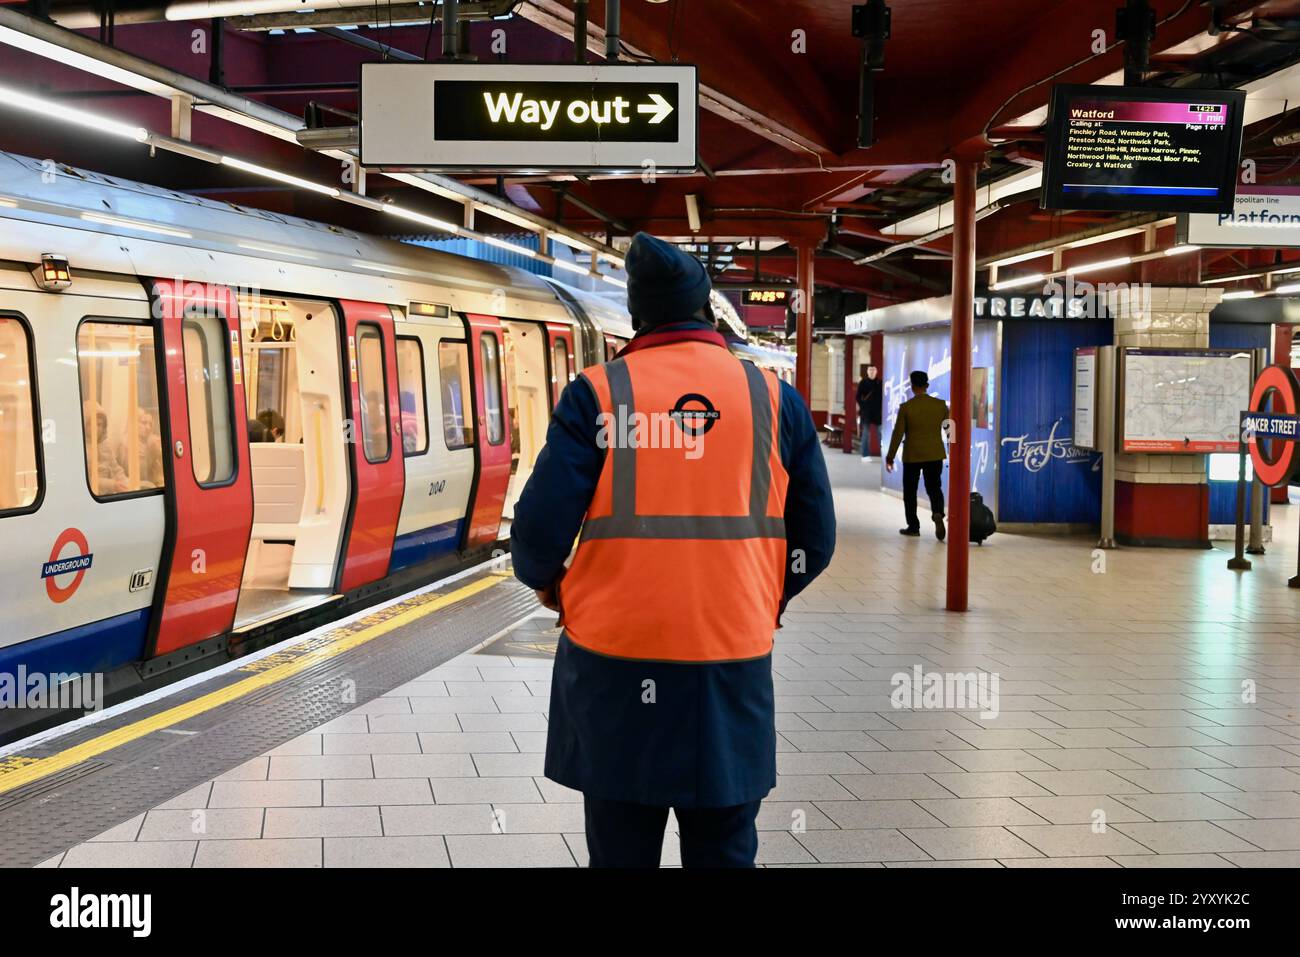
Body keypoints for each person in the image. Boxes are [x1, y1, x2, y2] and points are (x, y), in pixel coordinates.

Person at [510, 232, 836, 869]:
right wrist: (763, 595)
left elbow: (538, 535)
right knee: (723, 845)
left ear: (637, 316)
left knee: (622, 847)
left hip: (614, 660)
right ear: (708, 311)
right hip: (729, 659)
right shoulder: (774, 399)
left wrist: (552, 582)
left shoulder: (598, 393)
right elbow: (815, 542)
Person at [885, 370, 949, 541]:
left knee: (910, 491)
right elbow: (950, 431)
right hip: (935, 454)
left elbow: (897, 434)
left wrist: (890, 456)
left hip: (912, 455)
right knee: (934, 487)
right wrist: (953, 450)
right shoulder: (941, 405)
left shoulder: (906, 408)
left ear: (912, 387)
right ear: (927, 386)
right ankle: (937, 512)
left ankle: (913, 526)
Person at [856, 363, 882, 458]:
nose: (871, 372)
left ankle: (884, 454)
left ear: (876, 371)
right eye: (870, 370)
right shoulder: (863, 382)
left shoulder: (880, 383)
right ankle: (865, 454)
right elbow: (858, 397)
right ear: (867, 372)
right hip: (866, 412)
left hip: (878, 412)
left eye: (873, 370)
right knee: (866, 434)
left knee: (881, 433)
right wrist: (863, 406)